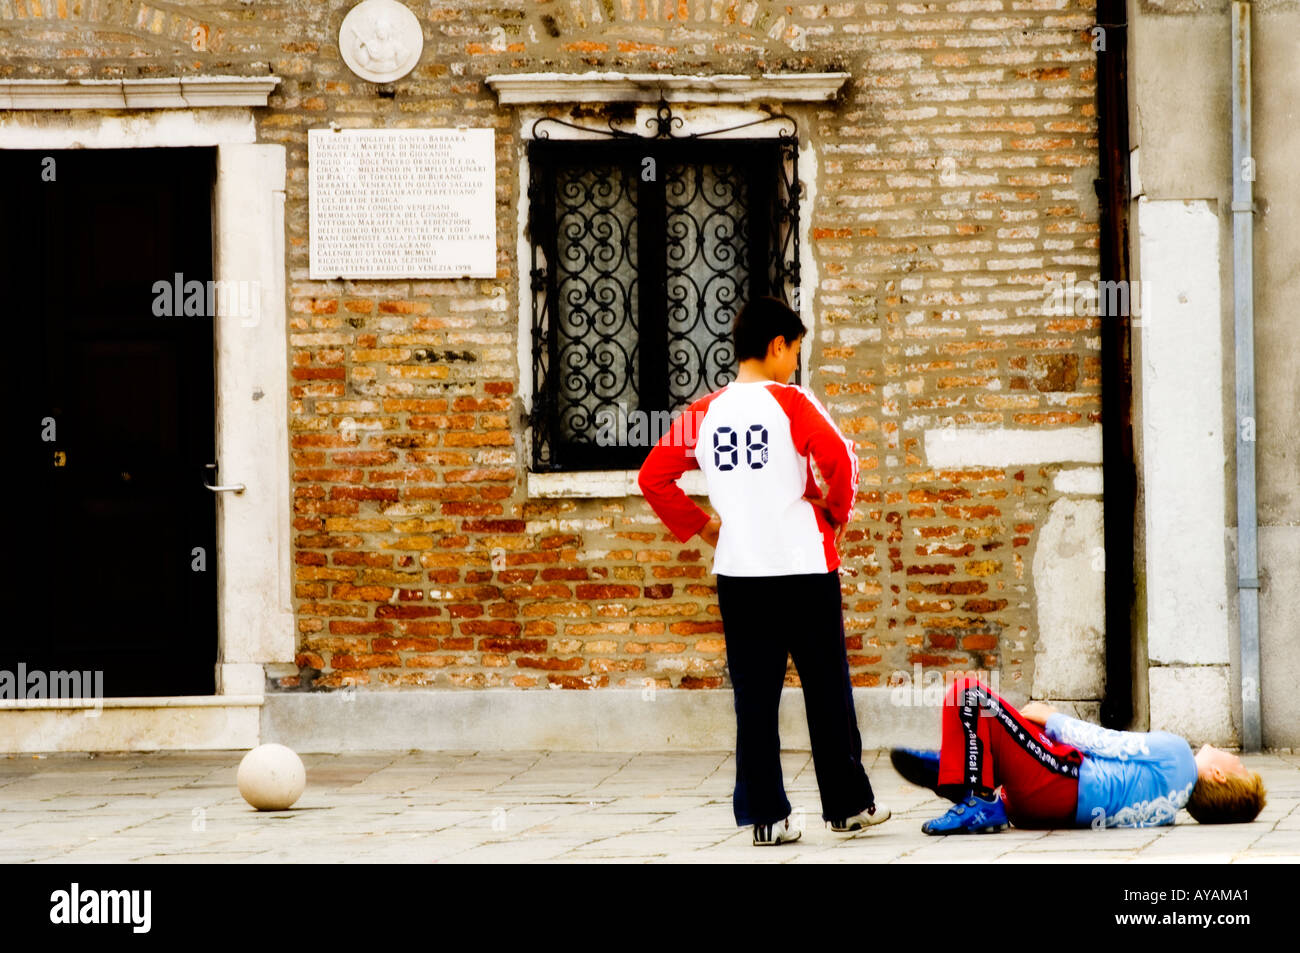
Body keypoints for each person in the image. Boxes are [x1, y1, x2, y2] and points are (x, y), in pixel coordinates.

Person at [637, 295, 890, 846]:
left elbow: (653, 477)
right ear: (778, 346)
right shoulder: (795, 403)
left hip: (740, 574)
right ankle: (847, 807)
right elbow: (841, 462)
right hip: (803, 568)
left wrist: (704, 527)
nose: (796, 363)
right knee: (827, 690)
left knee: (754, 698)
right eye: (796, 350)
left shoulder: (703, 414)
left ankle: (766, 818)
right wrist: (836, 514)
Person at [890, 674, 1267, 833]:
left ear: (1219, 776)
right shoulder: (1170, 812)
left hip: (1060, 781)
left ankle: (970, 787)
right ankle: (966, 775)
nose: (1236, 758)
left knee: (968, 694)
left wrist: (1055, 717)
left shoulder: (1180, 756)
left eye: (1240, 766)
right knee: (1024, 732)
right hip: (1039, 809)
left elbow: (1107, 742)